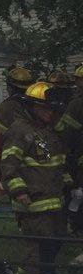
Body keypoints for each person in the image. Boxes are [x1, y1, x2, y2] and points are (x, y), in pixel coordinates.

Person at [0, 82, 71, 274]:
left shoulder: (47, 131)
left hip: (55, 204)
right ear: (33, 107)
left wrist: (69, 185)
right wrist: (20, 192)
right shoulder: (20, 131)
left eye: (53, 108)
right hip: (33, 205)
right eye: (47, 108)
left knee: (53, 248)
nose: (52, 113)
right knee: (37, 255)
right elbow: (8, 166)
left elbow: (56, 164)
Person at [0, 65, 34, 171]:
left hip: (11, 162)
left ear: (9, 88)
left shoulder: (5, 108)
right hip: (38, 162)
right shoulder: (38, 106)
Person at [53, 64, 83, 233]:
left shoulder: (76, 105)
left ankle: (74, 227)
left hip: (77, 161)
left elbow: (64, 133)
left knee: (73, 194)